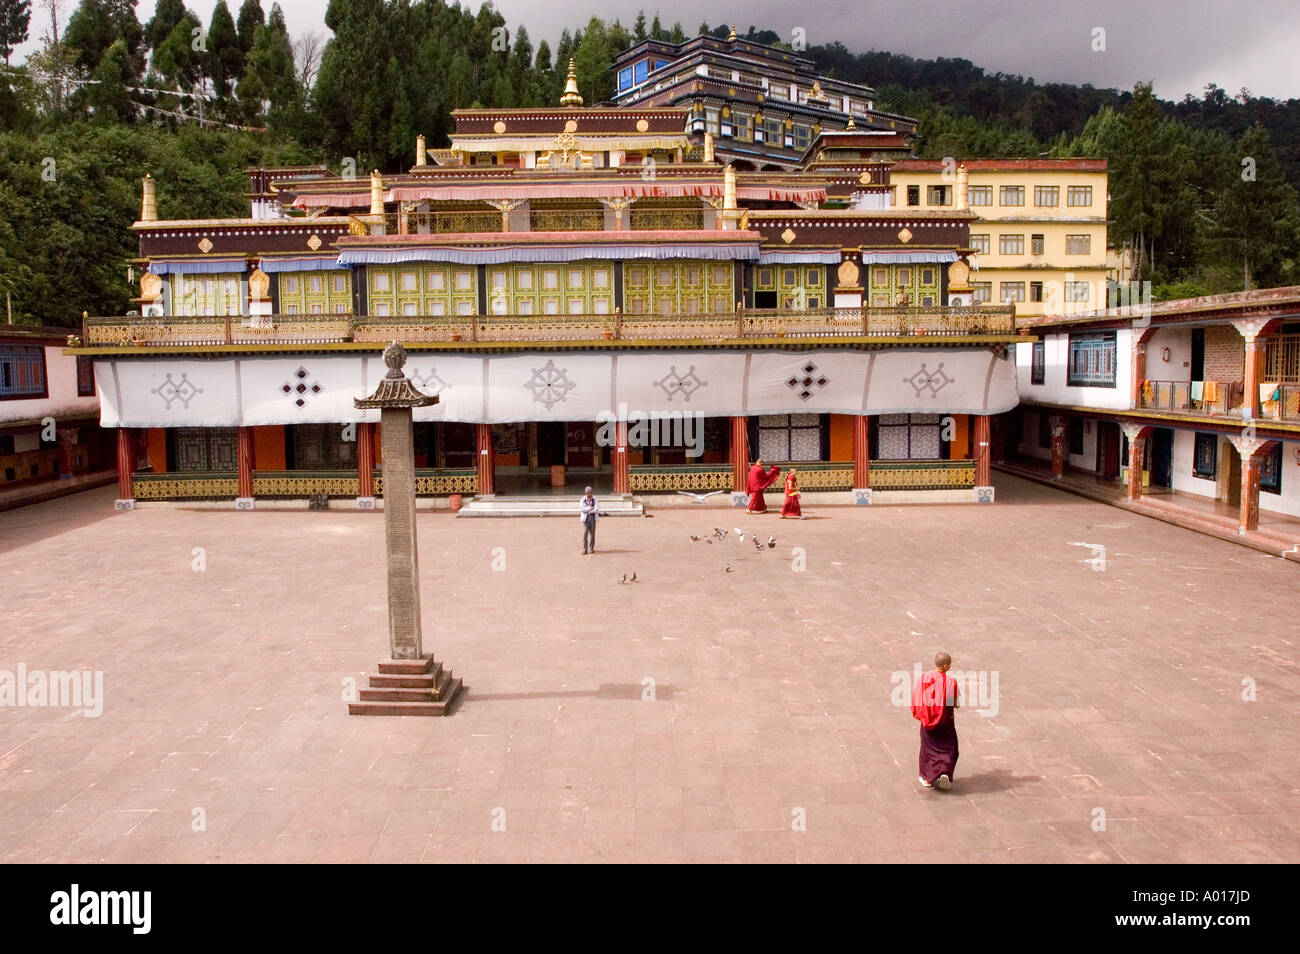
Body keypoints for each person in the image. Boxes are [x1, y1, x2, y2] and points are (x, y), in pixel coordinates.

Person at [912, 651, 960, 790]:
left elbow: (918, 696)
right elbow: (952, 704)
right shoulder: (951, 682)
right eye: (949, 664)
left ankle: (927, 778)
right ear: (945, 666)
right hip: (945, 722)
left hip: (928, 720)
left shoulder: (923, 678)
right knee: (949, 748)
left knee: (928, 749)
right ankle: (944, 772)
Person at [579, 486, 598, 555]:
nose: (589, 494)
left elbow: (596, 509)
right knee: (585, 534)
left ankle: (591, 548)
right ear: (586, 493)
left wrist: (587, 510)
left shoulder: (595, 499)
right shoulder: (582, 500)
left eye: (590, 492)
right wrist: (590, 508)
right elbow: (582, 509)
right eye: (587, 493)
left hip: (592, 518)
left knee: (592, 534)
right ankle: (584, 548)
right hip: (585, 519)